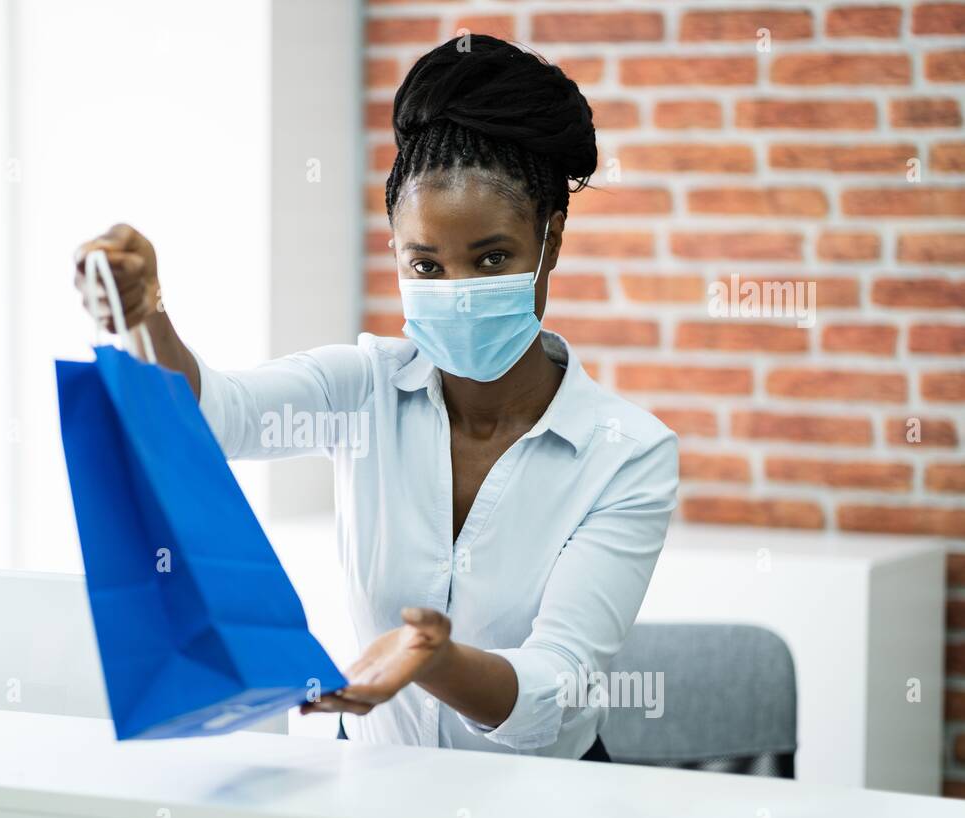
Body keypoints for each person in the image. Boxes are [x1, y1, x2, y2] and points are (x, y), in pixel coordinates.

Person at [73, 35, 678, 762]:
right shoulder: (360, 390)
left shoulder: (626, 453)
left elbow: (560, 683)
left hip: (542, 806)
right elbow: (213, 417)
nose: (454, 293)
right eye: (426, 264)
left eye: (491, 259)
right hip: (374, 789)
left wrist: (435, 660)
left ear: (549, 240)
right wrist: (146, 314)